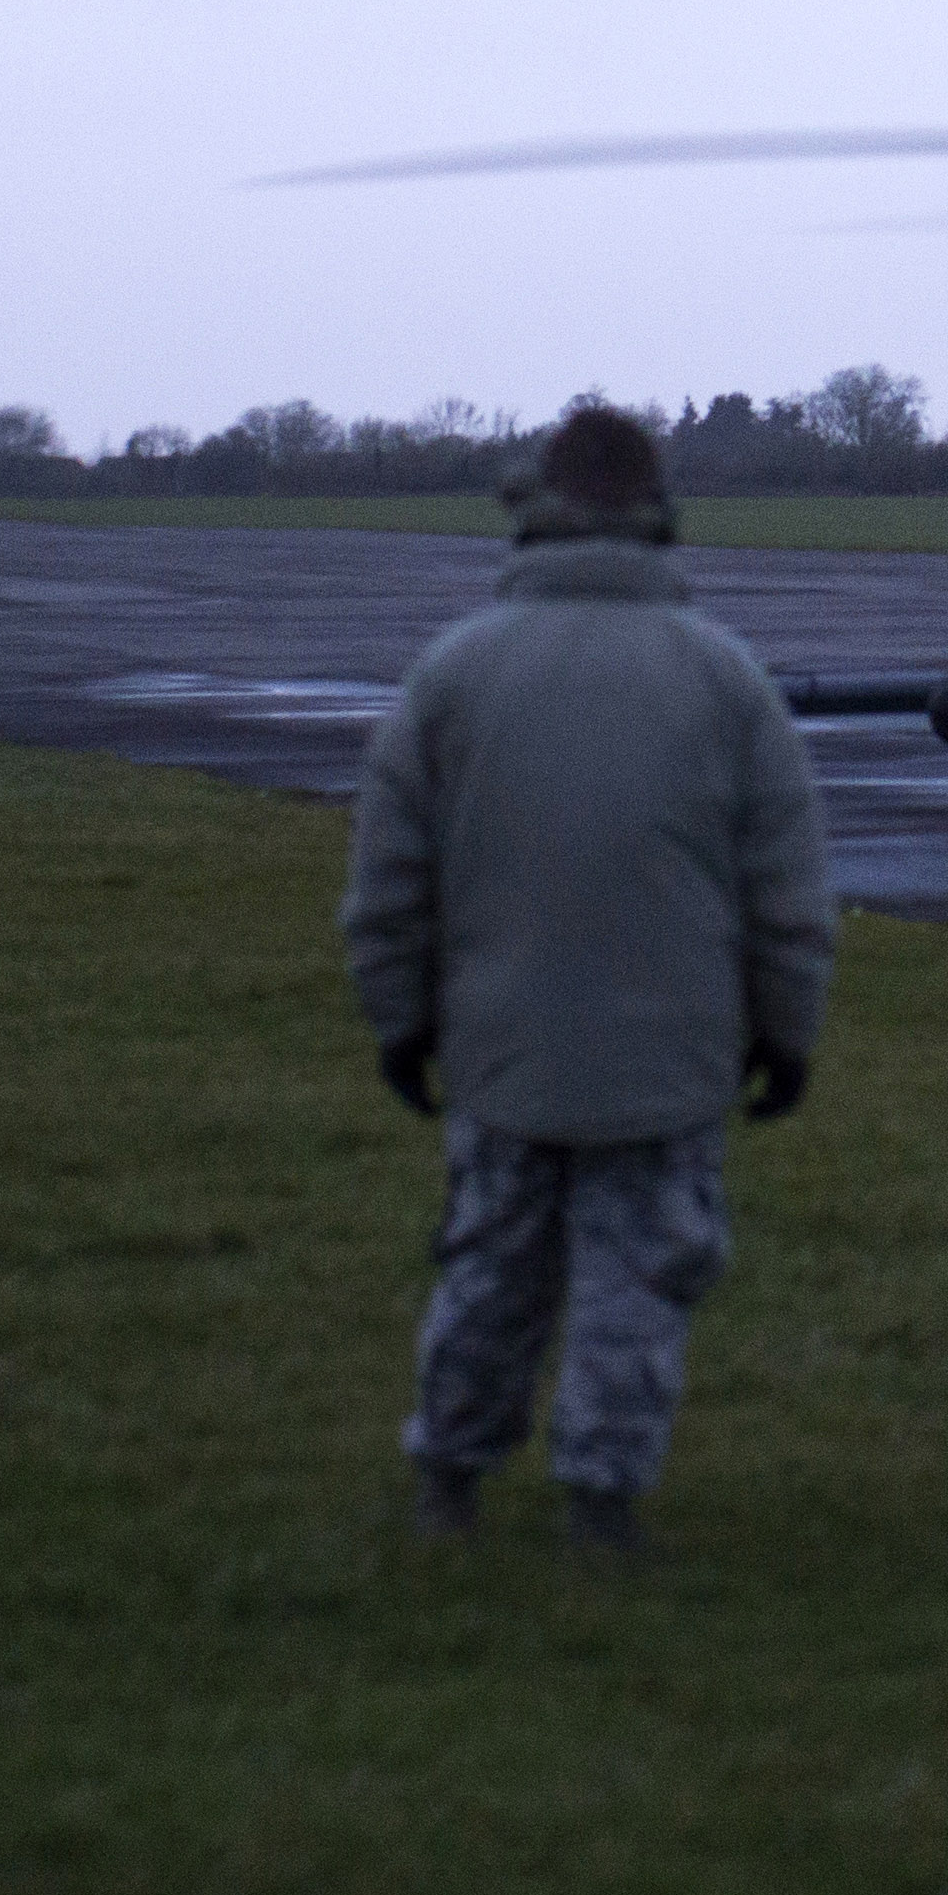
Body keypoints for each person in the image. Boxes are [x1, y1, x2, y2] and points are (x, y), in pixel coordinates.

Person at [342, 402, 834, 1556]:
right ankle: (600, 1505)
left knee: (489, 1269)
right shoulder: (725, 679)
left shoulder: (453, 674)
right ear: (657, 516)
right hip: (671, 1058)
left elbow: (389, 881)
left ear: (537, 510)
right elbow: (788, 887)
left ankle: (448, 1486)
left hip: (498, 1047)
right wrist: (789, 1032)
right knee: (637, 1282)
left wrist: (399, 1022)